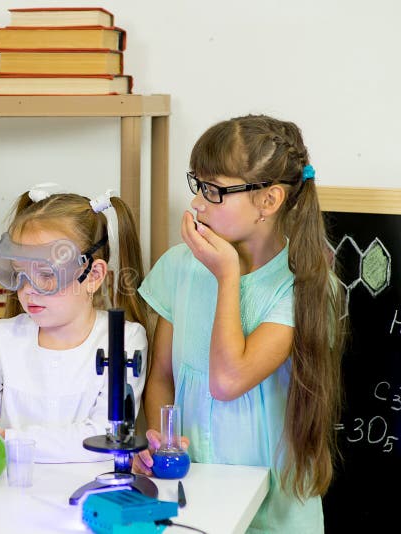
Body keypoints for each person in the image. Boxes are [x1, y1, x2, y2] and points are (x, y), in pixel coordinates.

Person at [135, 115, 344, 532]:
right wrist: (162, 440)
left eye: (214, 192)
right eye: (198, 185)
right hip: (193, 503)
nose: (197, 203)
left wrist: (227, 275)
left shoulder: (304, 286)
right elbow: (161, 377)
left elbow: (228, 381)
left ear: (269, 201)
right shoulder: (179, 267)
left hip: (273, 516)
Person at [0, 185, 149, 463]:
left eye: (47, 275)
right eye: (19, 273)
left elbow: (106, 436)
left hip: (89, 496)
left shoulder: (124, 339)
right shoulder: (1, 337)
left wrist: (5, 440)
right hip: (7, 496)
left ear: (93, 275)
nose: (28, 290)